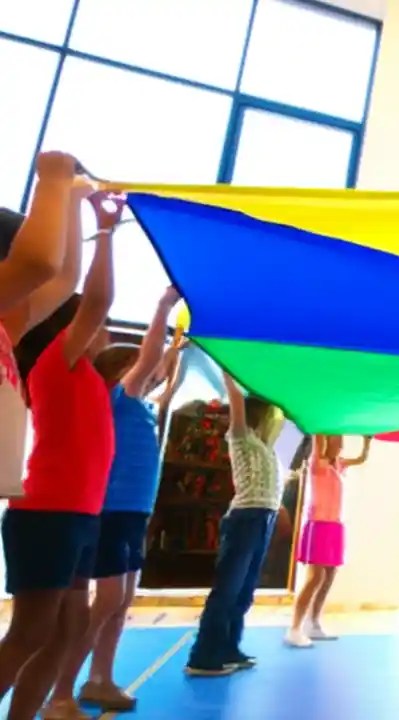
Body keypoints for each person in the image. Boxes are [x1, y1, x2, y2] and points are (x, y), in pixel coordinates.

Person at [1, 189, 120, 720]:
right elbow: (94, 302)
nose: (105, 333)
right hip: (49, 513)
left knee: (67, 628)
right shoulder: (56, 359)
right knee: (31, 630)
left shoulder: (89, 378)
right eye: (96, 330)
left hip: (78, 515)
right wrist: (105, 233)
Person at [46, 288, 183, 714]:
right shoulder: (118, 398)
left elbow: (166, 373)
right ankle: (61, 690)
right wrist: (162, 308)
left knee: (121, 603)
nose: (154, 373)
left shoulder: (144, 406)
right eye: (143, 368)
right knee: (105, 602)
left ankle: (100, 680)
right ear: (122, 372)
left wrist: (178, 346)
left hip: (134, 515)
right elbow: (149, 360)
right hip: (111, 510)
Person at [185, 372, 284, 677]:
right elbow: (236, 399)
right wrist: (231, 372)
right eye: (270, 415)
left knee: (244, 591)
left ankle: (229, 647)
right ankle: (203, 656)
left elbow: (285, 419)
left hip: (264, 518)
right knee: (227, 589)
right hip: (245, 518)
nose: (274, 421)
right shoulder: (240, 436)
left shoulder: (267, 446)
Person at [0, 153, 82, 501]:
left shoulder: (8, 328)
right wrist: (53, 178)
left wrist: (73, 200)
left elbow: (64, 277)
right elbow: (40, 262)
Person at [285, 434, 371, 648]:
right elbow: (318, 441)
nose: (340, 444)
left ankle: (313, 622)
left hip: (334, 526)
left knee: (330, 573)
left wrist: (367, 441)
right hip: (319, 526)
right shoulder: (317, 463)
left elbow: (361, 459)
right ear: (325, 443)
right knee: (316, 577)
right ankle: (294, 628)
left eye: (340, 441)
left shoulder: (338, 465)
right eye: (335, 440)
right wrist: (320, 427)